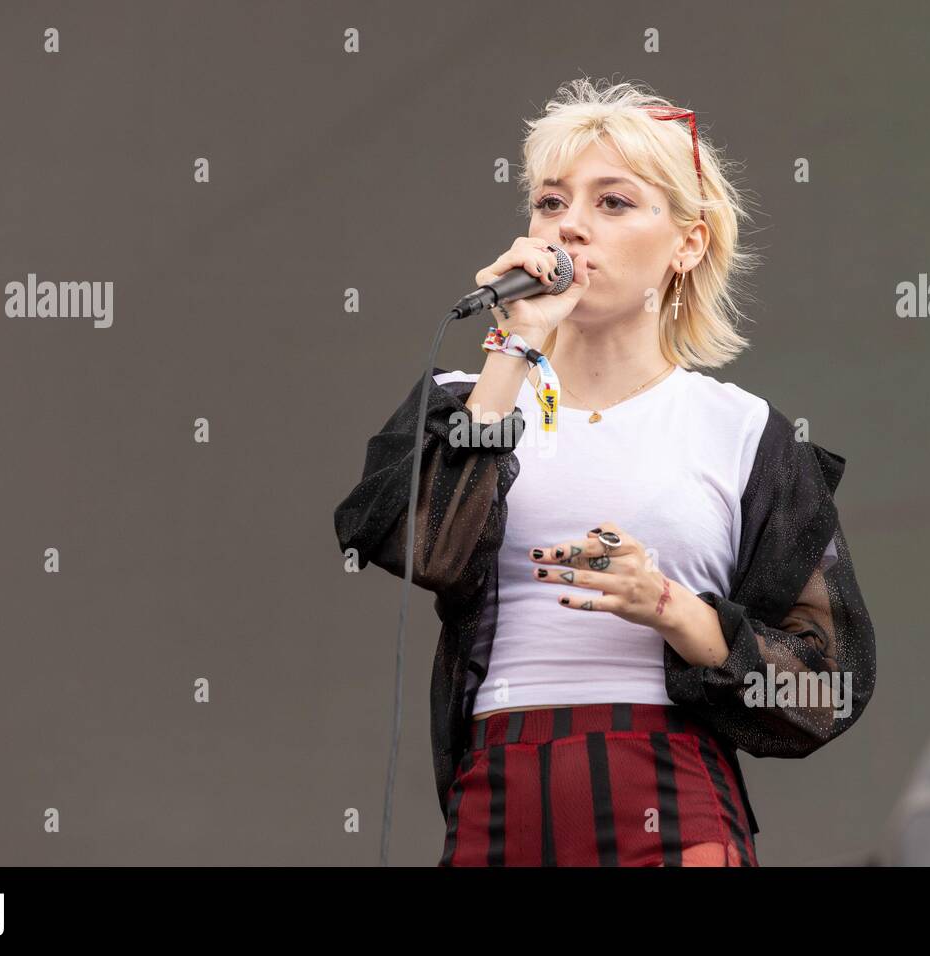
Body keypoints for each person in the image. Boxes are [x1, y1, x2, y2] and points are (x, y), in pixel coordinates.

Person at [334, 77, 876, 866]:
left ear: (688, 243)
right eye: (552, 203)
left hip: (671, 797)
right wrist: (514, 350)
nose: (571, 227)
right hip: (500, 791)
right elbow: (422, 549)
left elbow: (825, 687)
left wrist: (674, 610)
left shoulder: (742, 431)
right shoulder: (469, 400)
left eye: (613, 203)